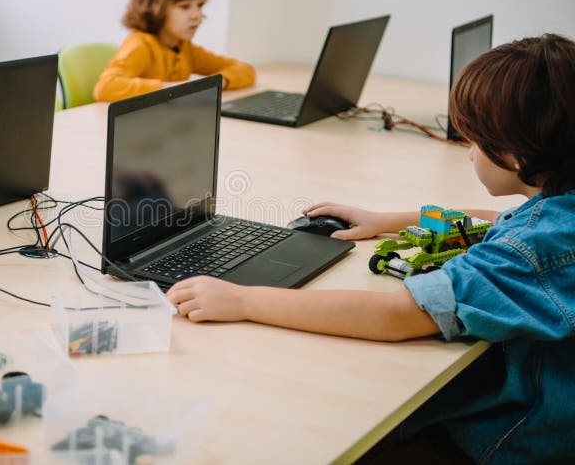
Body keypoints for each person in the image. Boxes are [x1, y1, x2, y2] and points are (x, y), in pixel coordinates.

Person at [167, 34, 575, 462]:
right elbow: (498, 220)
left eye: (474, 143)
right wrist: (388, 220)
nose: (467, 154)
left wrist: (244, 299)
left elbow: (396, 316)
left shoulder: (528, 252)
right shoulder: (556, 213)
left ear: (513, 156)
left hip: (519, 443)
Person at [93, 0, 255, 102]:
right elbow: (105, 87)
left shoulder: (185, 48)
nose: (197, 15)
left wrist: (220, 82)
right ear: (155, 7)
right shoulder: (141, 45)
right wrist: (175, 89)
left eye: (200, 5)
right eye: (185, 6)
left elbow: (245, 70)